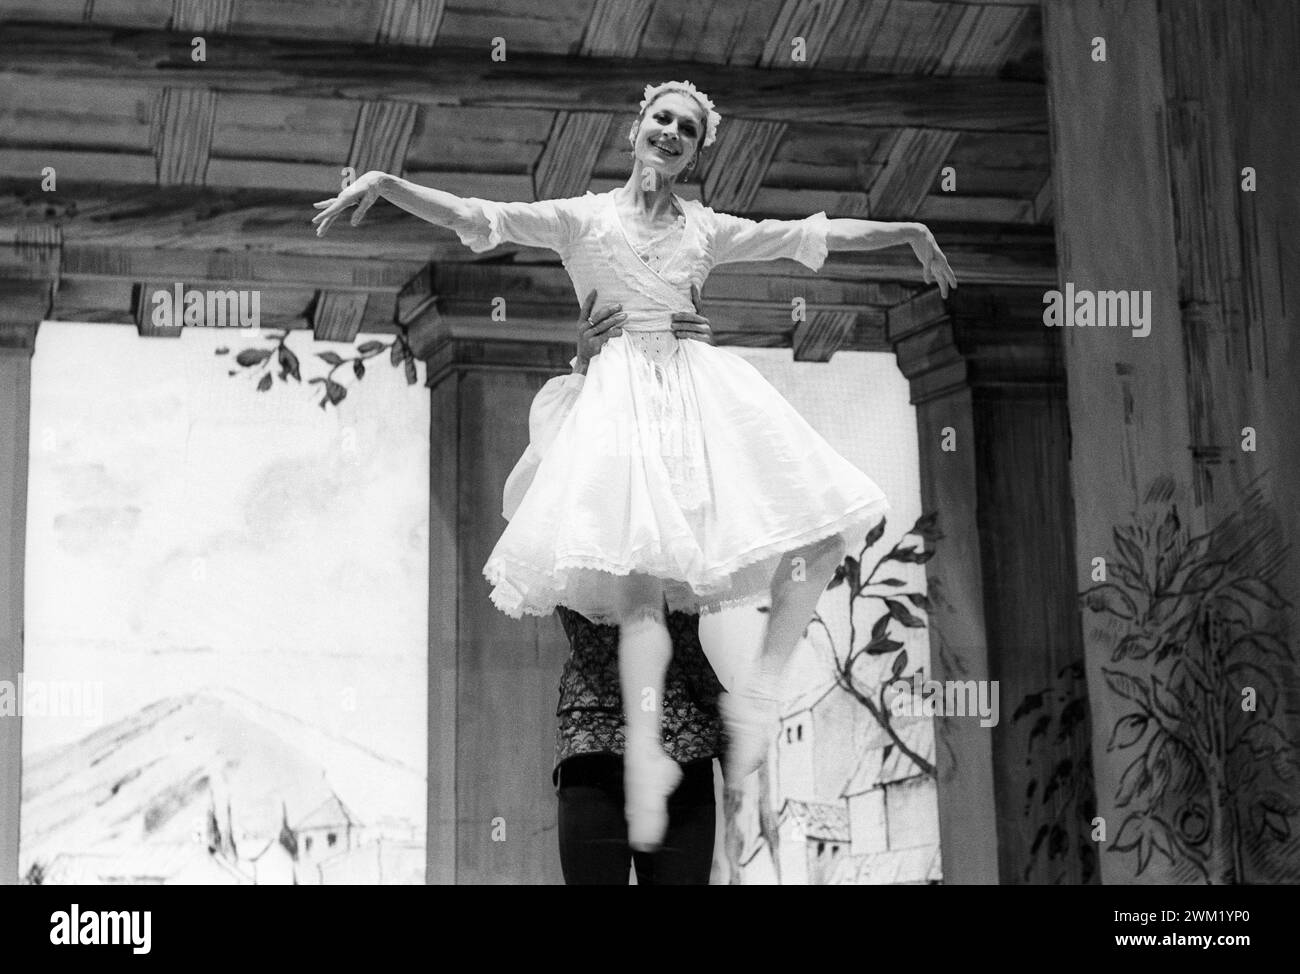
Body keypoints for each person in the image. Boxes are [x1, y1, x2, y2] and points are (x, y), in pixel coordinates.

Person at [311, 79, 957, 851]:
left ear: (694, 150)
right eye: (662, 119)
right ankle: (646, 756)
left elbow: (800, 235)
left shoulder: (706, 231)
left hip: (690, 400)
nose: (672, 133)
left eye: (687, 128)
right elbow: (479, 217)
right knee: (641, 589)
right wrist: (387, 184)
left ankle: (753, 695)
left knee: (824, 526)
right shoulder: (584, 219)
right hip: (617, 407)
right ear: (635, 129)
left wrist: (906, 229)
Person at [538, 292, 725, 884]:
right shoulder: (576, 456)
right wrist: (585, 367)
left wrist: (696, 371)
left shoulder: (682, 461)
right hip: (593, 730)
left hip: (682, 735)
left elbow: (737, 477)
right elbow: (550, 454)